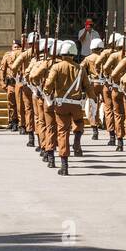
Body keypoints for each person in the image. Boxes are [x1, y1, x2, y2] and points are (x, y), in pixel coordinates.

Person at [43, 39, 90, 175]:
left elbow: (48, 86)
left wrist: (48, 95)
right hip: (76, 105)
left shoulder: (56, 67)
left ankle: (64, 165)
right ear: (74, 53)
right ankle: (77, 140)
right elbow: (87, 86)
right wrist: (92, 99)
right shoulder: (80, 68)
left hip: (61, 104)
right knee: (79, 122)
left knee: (62, 131)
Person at [0, 39, 21, 131]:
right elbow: (2, 69)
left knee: (20, 104)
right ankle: (13, 121)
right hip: (11, 83)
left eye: (18, 47)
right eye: (15, 47)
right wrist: (3, 84)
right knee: (11, 103)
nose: (16, 49)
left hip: (20, 83)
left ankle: (21, 123)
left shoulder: (23, 56)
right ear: (12, 47)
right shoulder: (7, 56)